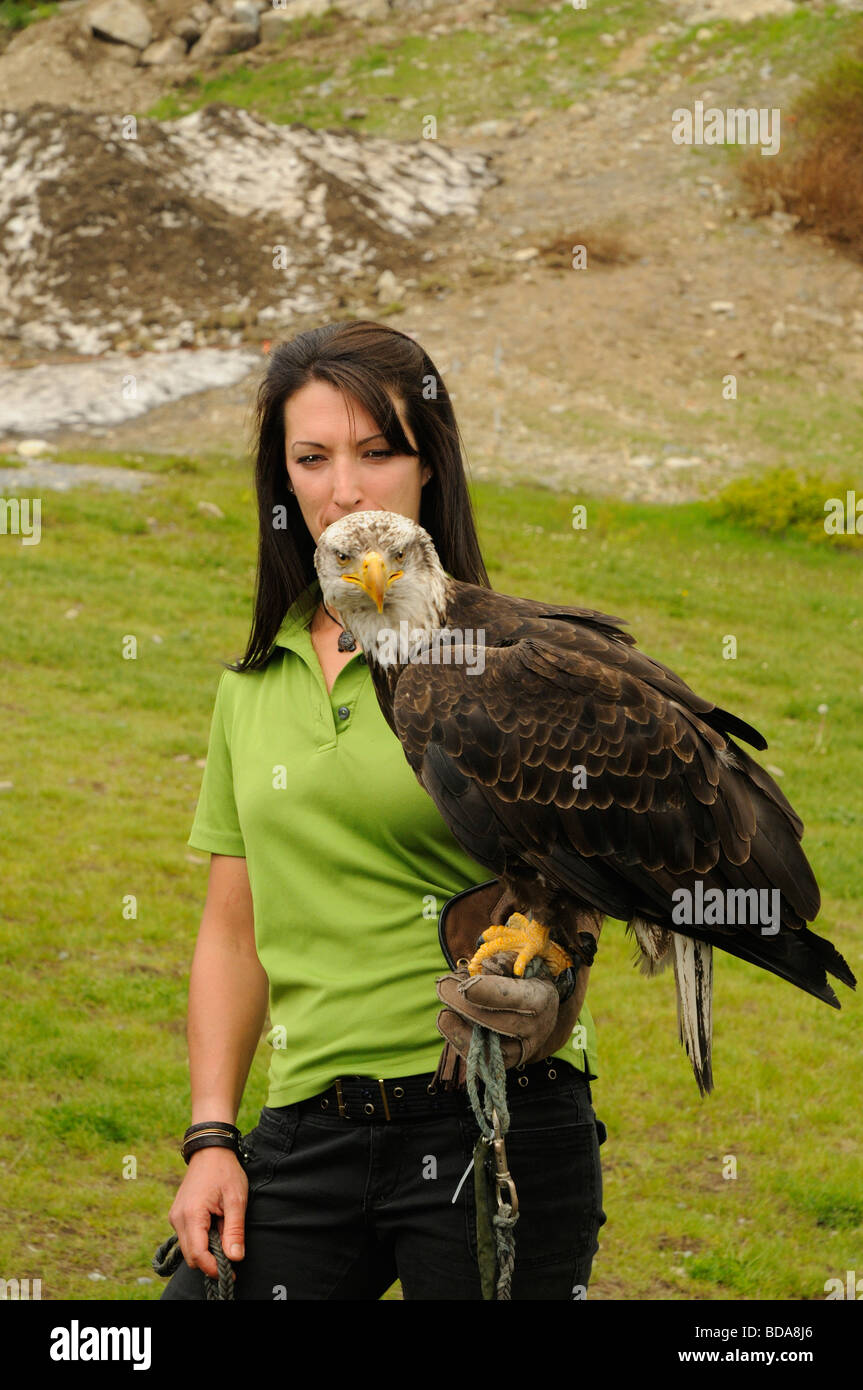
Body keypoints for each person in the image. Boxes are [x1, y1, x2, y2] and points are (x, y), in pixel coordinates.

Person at [160, 320, 607, 1301]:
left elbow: (588, 871)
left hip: (489, 1120)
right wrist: (211, 1136)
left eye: (377, 451)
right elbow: (232, 933)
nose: (344, 487)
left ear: (428, 468)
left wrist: (563, 947)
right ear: (281, 481)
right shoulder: (253, 683)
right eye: (311, 457)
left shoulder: (498, 665)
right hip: (307, 1128)